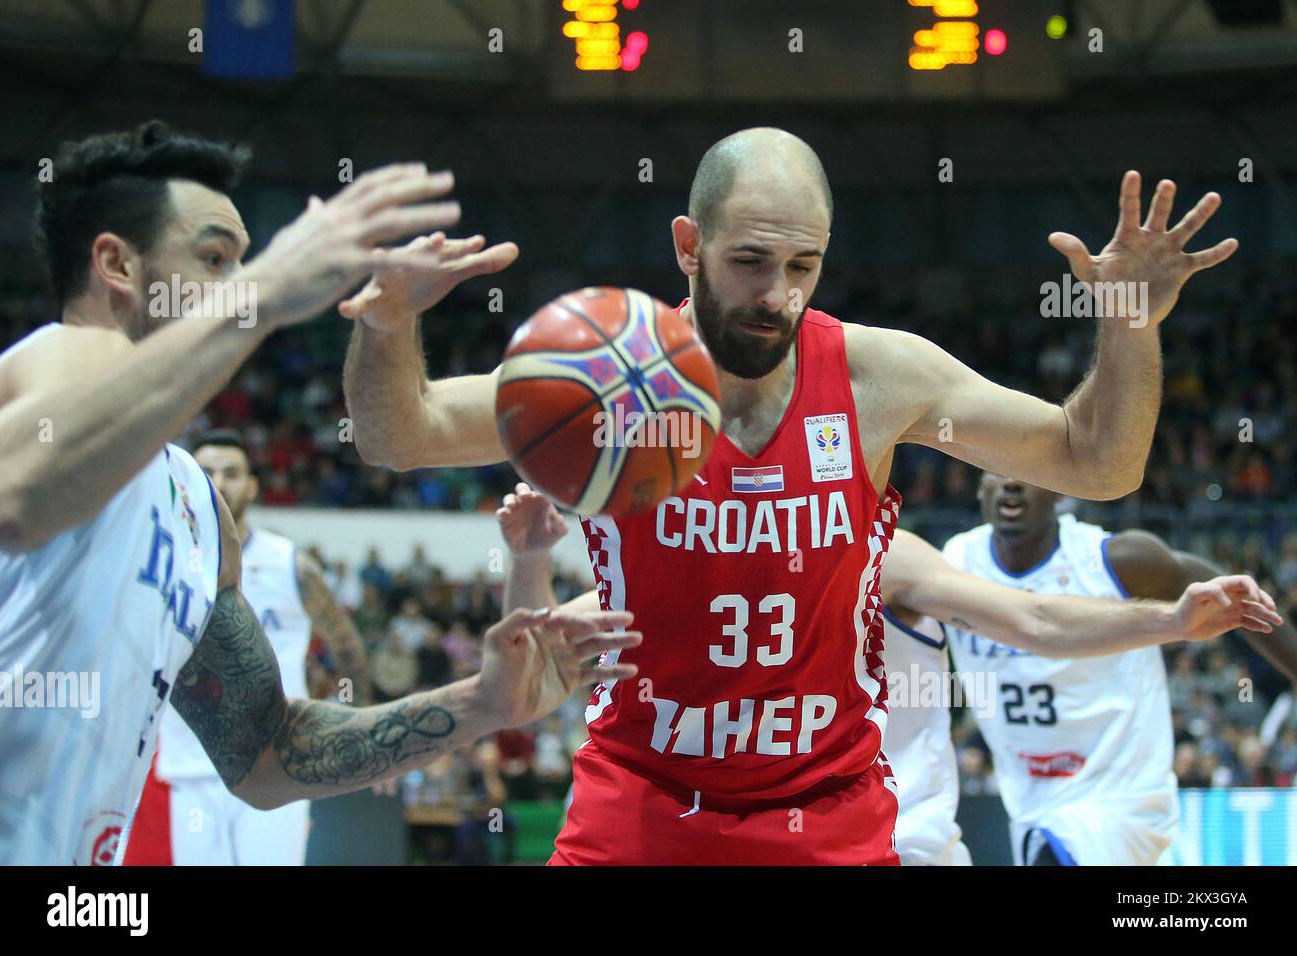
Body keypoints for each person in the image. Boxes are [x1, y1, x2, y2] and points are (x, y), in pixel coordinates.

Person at [342, 126, 1238, 865]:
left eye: (804, 264)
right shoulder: (611, 376)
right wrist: (387, 324)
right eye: (751, 261)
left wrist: (1128, 327)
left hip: (830, 809)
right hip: (643, 800)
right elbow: (399, 434)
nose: (779, 295)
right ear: (688, 246)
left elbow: (1098, 463)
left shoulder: (877, 376)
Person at [0, 120, 637, 864]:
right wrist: (266, 294)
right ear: (116, 264)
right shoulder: (61, 359)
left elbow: (268, 753)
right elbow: (17, 498)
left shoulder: (195, 506)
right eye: (213, 260)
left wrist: (481, 703)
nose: (235, 285)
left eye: (244, 265)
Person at [493, 482, 1281, 864]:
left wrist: (1170, 622)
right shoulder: (701, 560)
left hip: (902, 838)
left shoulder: (893, 556)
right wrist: (529, 563)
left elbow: (1035, 619)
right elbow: (538, 670)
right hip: (761, 838)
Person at [941, 473, 1297, 864]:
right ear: (979, 487)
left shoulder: (1117, 561)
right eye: (996, 470)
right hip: (1029, 800)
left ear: (1059, 488)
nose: (1011, 483)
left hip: (1121, 793)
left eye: (1026, 472)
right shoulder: (954, 565)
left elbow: (1241, 601)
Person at [124, 428, 371, 865]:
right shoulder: (164, 563)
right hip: (190, 767)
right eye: (207, 472)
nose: (219, 483)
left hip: (278, 765)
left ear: (253, 485)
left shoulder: (291, 565)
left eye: (232, 473)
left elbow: (348, 649)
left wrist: (358, 730)